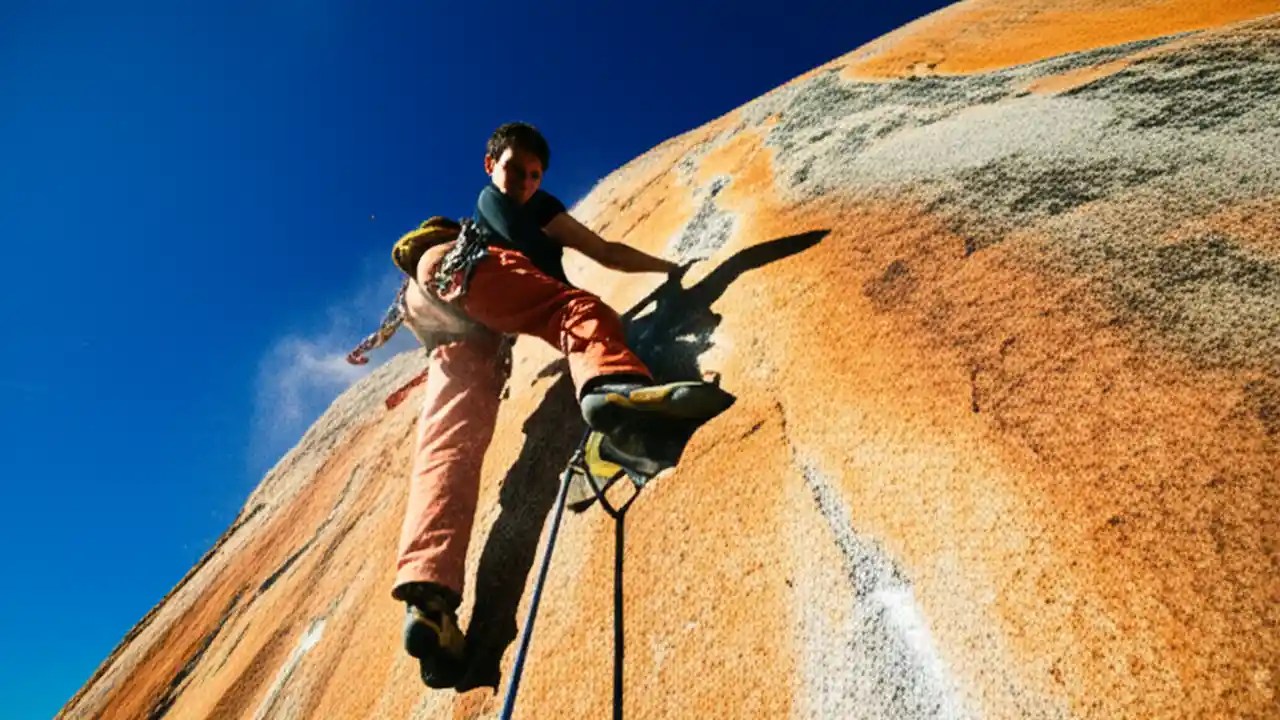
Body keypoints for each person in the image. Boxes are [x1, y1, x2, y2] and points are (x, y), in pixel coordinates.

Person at [350, 123, 730, 687]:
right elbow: (601, 253)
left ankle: (429, 600)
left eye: (534, 176)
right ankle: (613, 392)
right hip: (459, 266)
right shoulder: (518, 215)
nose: (526, 184)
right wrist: (671, 270)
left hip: (430, 308)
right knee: (577, 309)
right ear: (490, 167)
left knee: (449, 446)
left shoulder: (499, 210)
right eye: (515, 171)